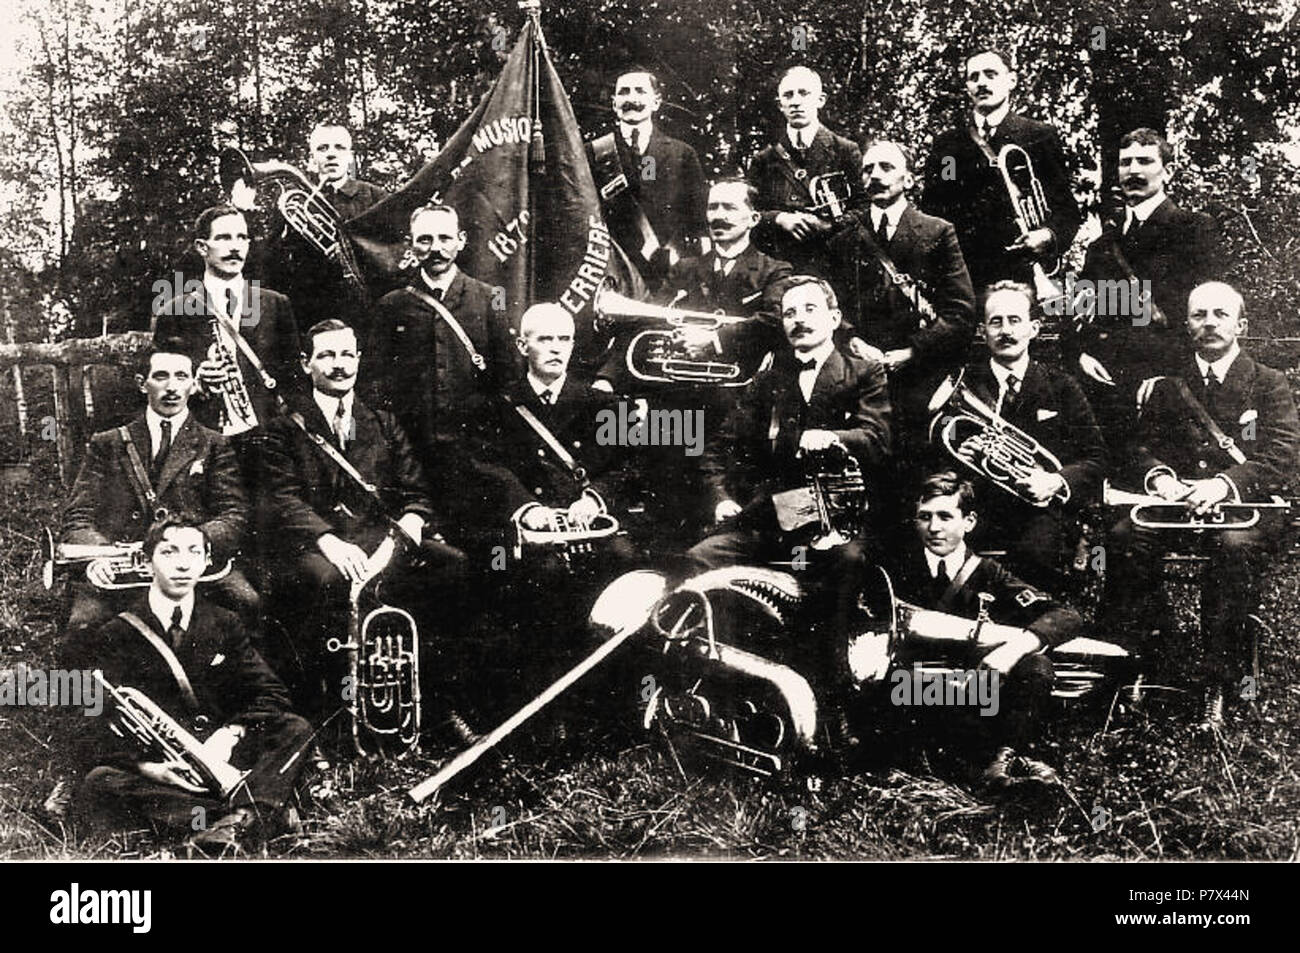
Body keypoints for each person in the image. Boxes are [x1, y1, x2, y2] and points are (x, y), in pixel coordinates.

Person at [691, 275, 891, 745]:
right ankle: (726, 685)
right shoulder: (770, 378)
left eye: (809, 310)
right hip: (774, 520)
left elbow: (879, 441)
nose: (799, 320)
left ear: (834, 319)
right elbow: (718, 447)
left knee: (845, 563)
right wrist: (721, 498)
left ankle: (835, 696)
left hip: (840, 516)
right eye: (789, 313)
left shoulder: (865, 372)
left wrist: (834, 439)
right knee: (702, 558)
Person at [1104, 282, 1299, 729]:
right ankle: (1147, 656)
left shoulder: (1269, 384)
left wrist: (1224, 484)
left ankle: (1218, 678)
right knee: (1125, 537)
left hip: (1243, 508)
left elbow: (1281, 456)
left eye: (1220, 314)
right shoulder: (1168, 385)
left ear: (1241, 325)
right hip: (1175, 503)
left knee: (1232, 548)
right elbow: (1138, 447)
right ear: (1187, 324)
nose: (1209, 323)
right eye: (1198, 315)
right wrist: (1161, 477)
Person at [259, 319, 468, 722]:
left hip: (382, 541)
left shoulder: (384, 422)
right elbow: (282, 499)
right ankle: (331, 717)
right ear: (306, 364)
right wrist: (329, 542)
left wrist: (398, 539)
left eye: (346, 354)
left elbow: (416, 494)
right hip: (316, 546)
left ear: (358, 359)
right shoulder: (284, 428)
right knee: (327, 583)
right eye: (327, 355)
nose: (339, 365)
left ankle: (442, 709)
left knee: (452, 567)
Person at [69, 517, 311, 855]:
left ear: (206, 561)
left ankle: (225, 823)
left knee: (295, 728)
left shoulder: (226, 622)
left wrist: (231, 734)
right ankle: (254, 814)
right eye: (169, 552)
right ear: (146, 561)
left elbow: (272, 692)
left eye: (194, 552)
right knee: (99, 783)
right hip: (168, 771)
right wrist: (152, 769)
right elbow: (94, 724)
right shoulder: (116, 633)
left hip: (224, 754)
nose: (183, 563)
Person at [595, 178, 794, 537]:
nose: (718, 216)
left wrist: (714, 341)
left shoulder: (774, 271)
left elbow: (774, 321)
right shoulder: (685, 270)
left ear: (753, 218)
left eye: (729, 207)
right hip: (679, 408)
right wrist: (608, 378)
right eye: (713, 207)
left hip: (738, 409)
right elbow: (646, 319)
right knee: (660, 492)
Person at [883, 471, 1083, 789]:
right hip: (909, 690)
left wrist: (1013, 650)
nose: (934, 528)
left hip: (970, 690)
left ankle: (1000, 761)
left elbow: (1067, 615)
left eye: (946, 516)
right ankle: (1000, 761)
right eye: (925, 517)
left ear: (970, 522)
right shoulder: (893, 570)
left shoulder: (989, 573)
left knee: (1036, 666)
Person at [59, 349, 255, 646]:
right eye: (161, 376)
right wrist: (100, 556)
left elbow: (234, 514)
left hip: (191, 566)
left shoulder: (215, 444)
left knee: (246, 602)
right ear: (142, 383)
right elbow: (78, 515)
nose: (172, 387)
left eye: (182, 377)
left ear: (193, 384)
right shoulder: (108, 443)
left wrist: (192, 545)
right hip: (122, 572)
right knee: (84, 625)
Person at [936, 281, 1106, 586]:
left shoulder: (1062, 386)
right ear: (982, 331)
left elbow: (1095, 459)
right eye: (996, 322)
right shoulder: (967, 385)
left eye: (1015, 320)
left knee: (1034, 554)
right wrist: (962, 463)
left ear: (1034, 328)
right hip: (978, 507)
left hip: (1042, 512)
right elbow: (937, 457)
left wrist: (1054, 480)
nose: (1006, 331)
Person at [362, 204, 518, 536]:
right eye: (425, 239)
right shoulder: (391, 305)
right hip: (411, 458)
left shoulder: (490, 299)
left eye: (445, 238)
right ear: (411, 244)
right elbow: (373, 385)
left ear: (461, 241)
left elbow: (507, 380)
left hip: (475, 457)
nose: (436, 248)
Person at [1066, 128, 1222, 447]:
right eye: (1126, 163)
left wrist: (1170, 376)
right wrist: (1082, 354)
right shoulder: (1102, 246)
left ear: (1168, 171)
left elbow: (1208, 316)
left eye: (1145, 161)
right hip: (1105, 392)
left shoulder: (1193, 229)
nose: (1134, 171)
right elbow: (1077, 316)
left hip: (1169, 388)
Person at [828, 139, 975, 459]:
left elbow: (961, 312)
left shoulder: (938, 232)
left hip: (920, 376)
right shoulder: (845, 234)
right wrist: (852, 339)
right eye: (867, 169)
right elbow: (832, 302)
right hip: (861, 376)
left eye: (886, 167)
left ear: (908, 180)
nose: (875, 176)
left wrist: (911, 351)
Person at [921, 47, 1080, 294]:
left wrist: (1047, 236)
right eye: (974, 77)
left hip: (1021, 271)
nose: (981, 83)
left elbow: (1066, 210)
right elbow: (935, 209)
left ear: (1011, 81)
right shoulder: (949, 145)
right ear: (967, 87)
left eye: (991, 74)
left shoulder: (1039, 136)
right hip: (965, 276)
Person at [152, 204, 301, 445]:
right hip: (202, 440)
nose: (235, 247)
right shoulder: (174, 312)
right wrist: (197, 383)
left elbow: (295, 383)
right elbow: (159, 388)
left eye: (242, 238)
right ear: (202, 247)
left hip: (268, 442)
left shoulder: (275, 304)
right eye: (223, 238)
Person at [589, 68, 707, 283]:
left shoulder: (682, 154)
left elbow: (699, 219)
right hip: (612, 268)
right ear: (614, 103)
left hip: (669, 268)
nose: (631, 99)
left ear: (656, 102)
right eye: (624, 92)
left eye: (640, 91)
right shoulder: (593, 152)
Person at [274, 122, 390, 336]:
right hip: (313, 312)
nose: (331, 155)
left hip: (366, 310)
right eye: (322, 148)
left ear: (350, 156)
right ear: (311, 159)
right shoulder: (298, 201)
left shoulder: (375, 197)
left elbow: (390, 257)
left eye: (339, 147)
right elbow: (278, 266)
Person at [747, 66, 862, 275]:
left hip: (832, 264)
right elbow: (748, 212)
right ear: (780, 104)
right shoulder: (763, 159)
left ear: (820, 100)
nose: (796, 101)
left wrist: (828, 225)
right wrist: (779, 218)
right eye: (788, 95)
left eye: (804, 93)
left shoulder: (845, 150)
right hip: (779, 266)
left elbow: (865, 208)